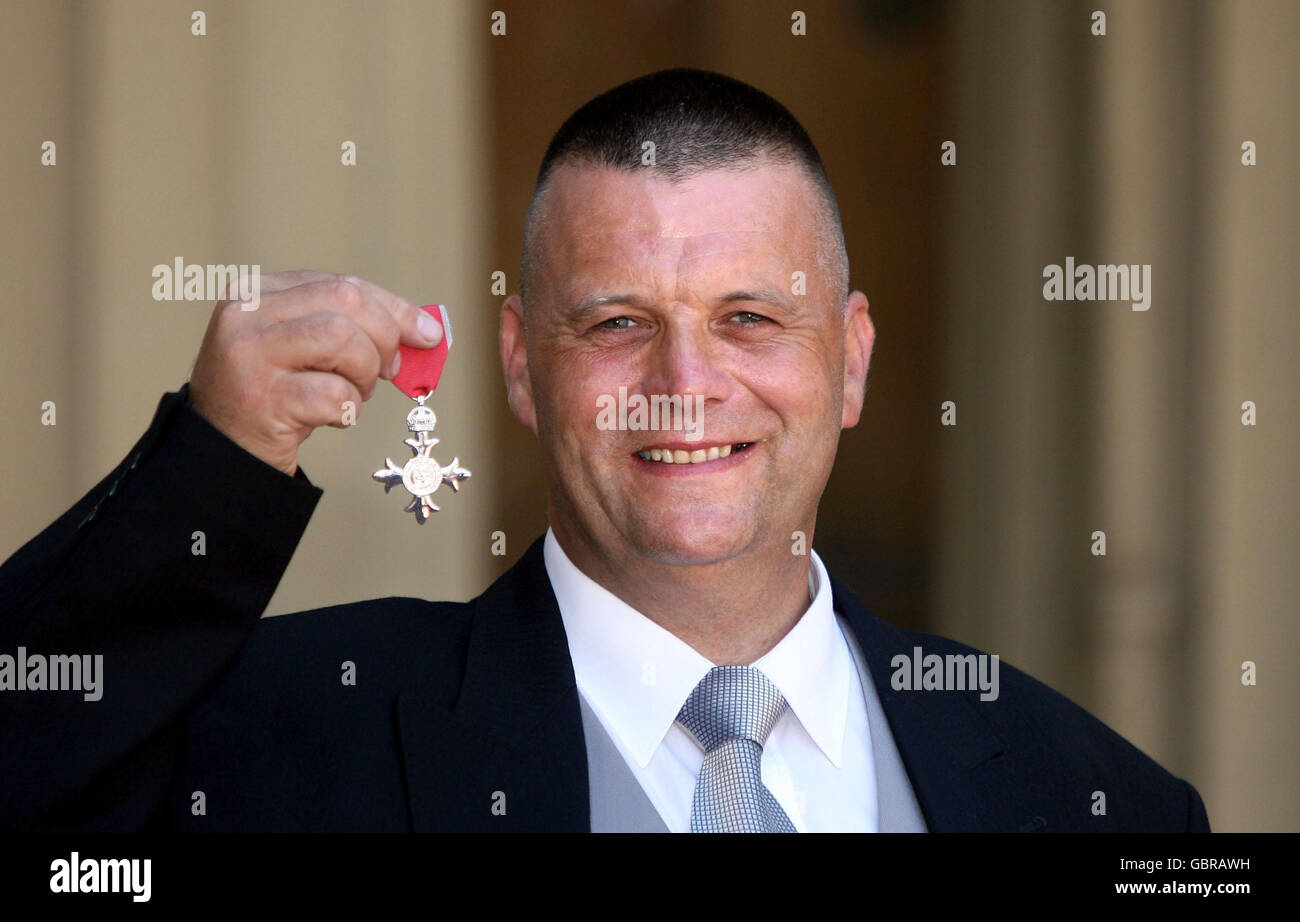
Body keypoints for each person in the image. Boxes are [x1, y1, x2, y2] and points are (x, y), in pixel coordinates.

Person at [0, 68, 1208, 832]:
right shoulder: (285, 734)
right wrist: (205, 471)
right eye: (618, 324)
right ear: (523, 365)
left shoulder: (1094, 796)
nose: (684, 386)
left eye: (749, 318)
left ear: (850, 360)